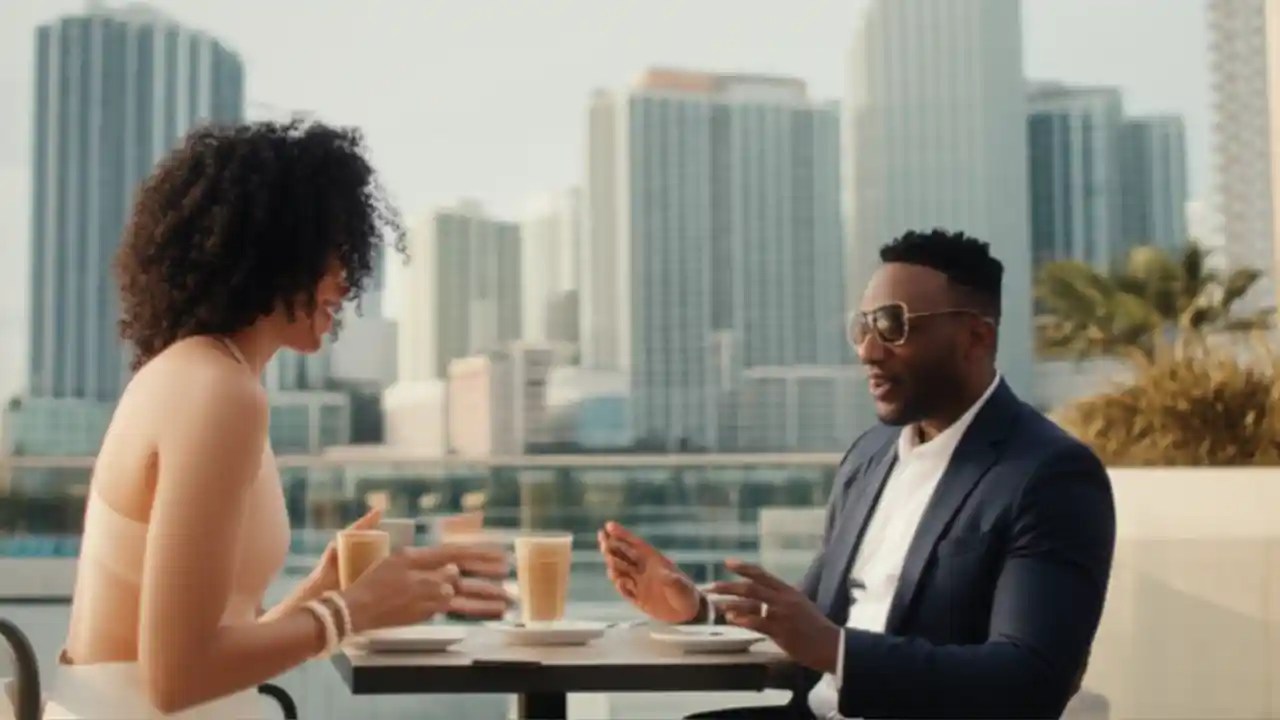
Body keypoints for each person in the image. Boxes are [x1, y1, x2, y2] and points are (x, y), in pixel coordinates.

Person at [42, 121, 512, 719]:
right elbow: (175, 678)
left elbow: (203, 652)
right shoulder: (217, 393)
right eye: (333, 253)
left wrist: (322, 593)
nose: (347, 281)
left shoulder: (208, 377)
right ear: (274, 250)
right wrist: (351, 613)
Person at [600, 230, 1116, 719]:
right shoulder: (869, 458)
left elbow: (1030, 680)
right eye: (863, 327)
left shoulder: (1048, 475)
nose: (869, 351)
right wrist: (698, 611)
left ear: (975, 338)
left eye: (894, 326)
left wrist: (837, 650)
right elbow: (807, 624)